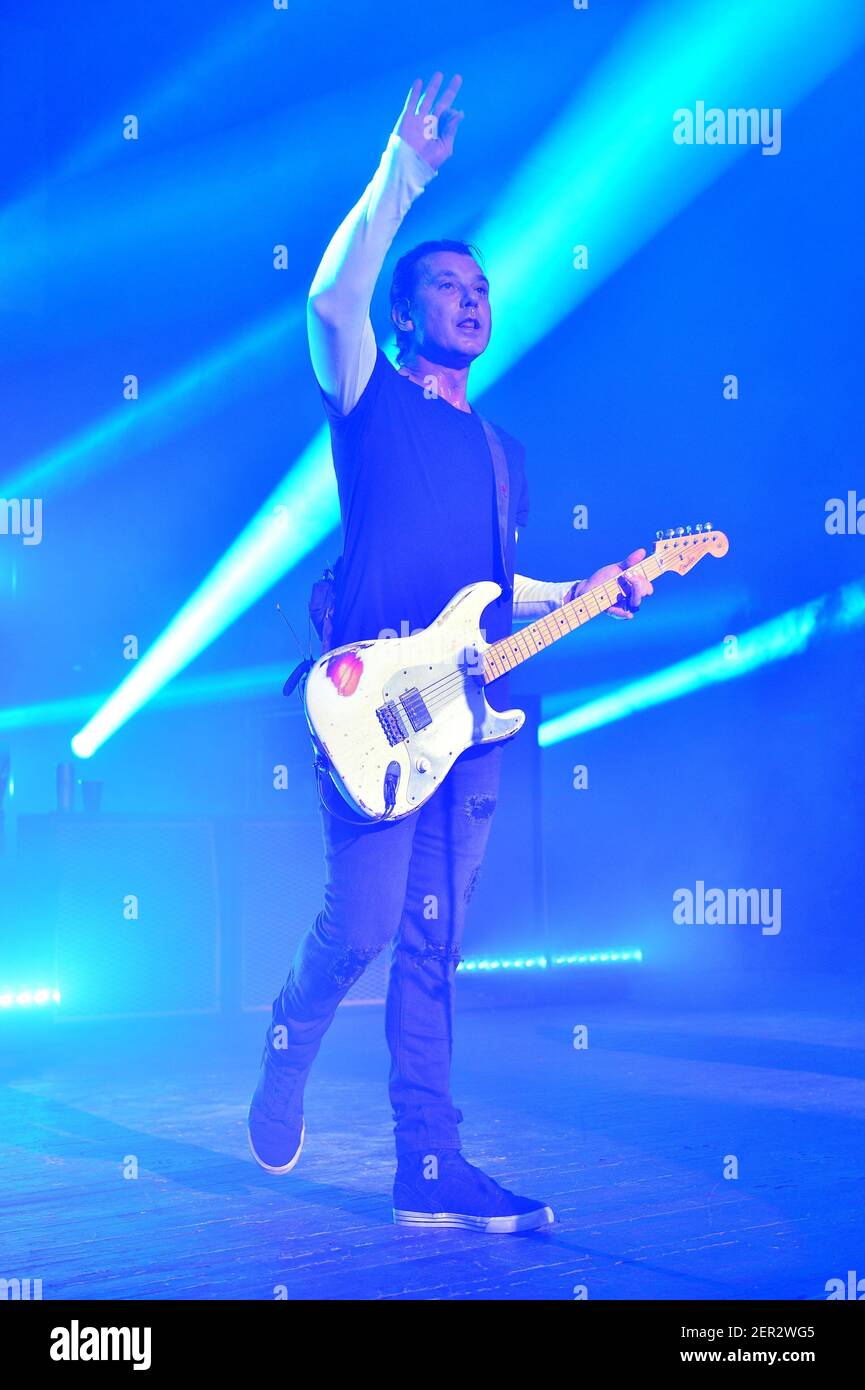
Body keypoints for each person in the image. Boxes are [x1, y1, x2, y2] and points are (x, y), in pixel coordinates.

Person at [248, 73, 653, 1234]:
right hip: (374, 704)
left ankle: (428, 1164)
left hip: (469, 716)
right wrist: (402, 176)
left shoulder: (501, 452)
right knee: (366, 926)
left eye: (481, 286)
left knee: (431, 946)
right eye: (445, 285)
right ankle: (288, 1035)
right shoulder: (370, 402)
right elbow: (331, 297)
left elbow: (490, 592)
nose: (471, 300)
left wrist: (585, 591)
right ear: (404, 314)